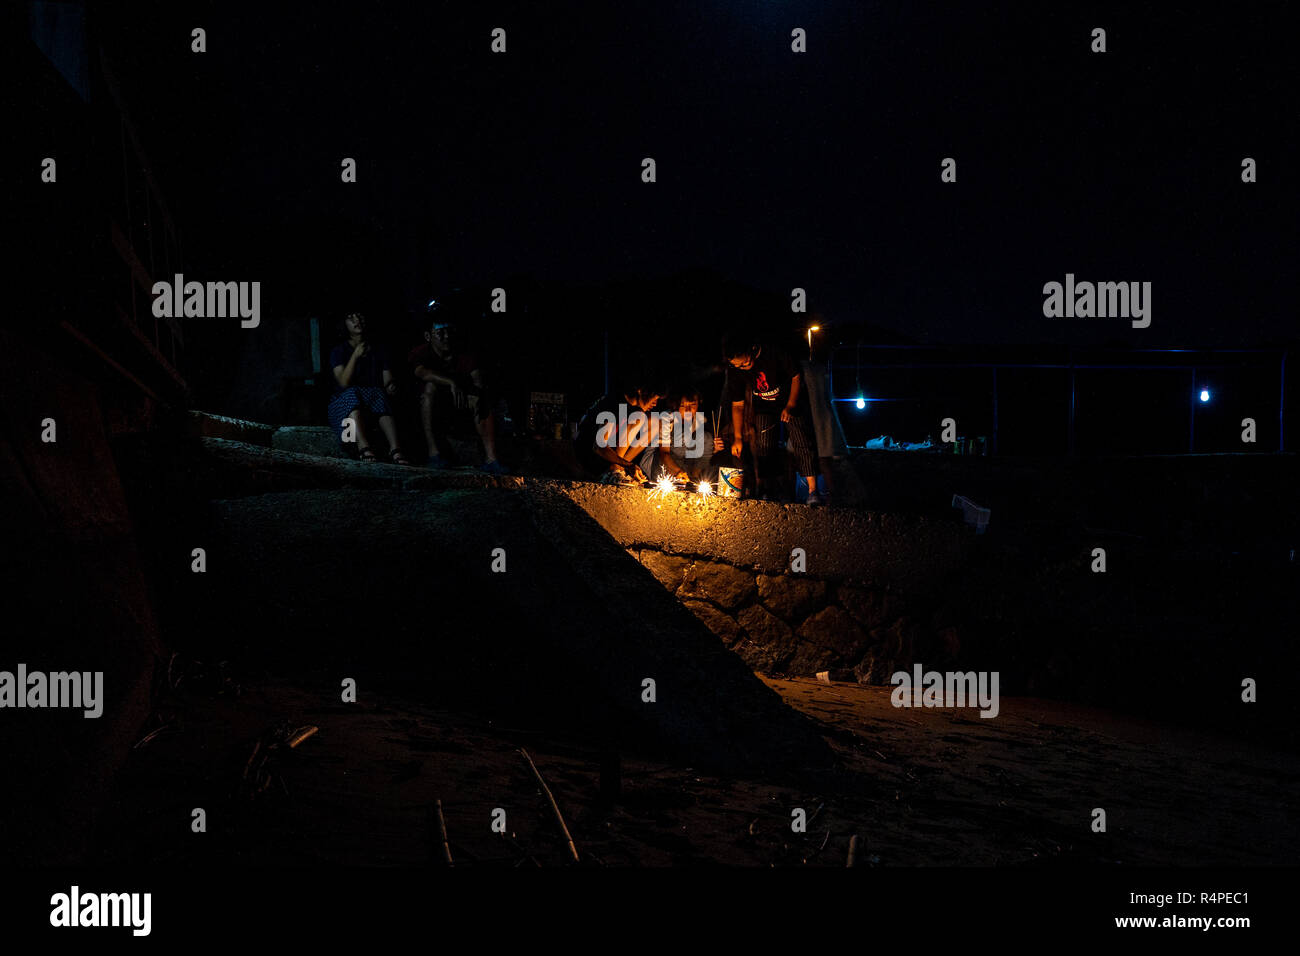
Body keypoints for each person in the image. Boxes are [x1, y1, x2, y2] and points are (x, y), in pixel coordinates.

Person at [407, 301, 507, 474]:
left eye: (449, 331)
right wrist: (451, 383)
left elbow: (477, 377)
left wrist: (476, 393)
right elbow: (422, 373)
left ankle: (492, 459)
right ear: (428, 336)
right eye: (440, 332)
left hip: (460, 403)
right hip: (432, 406)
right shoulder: (420, 352)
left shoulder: (463, 352)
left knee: (482, 398)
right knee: (430, 389)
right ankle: (434, 454)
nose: (446, 336)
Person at [722, 333, 822, 504]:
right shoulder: (735, 370)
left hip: (789, 400)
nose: (743, 367)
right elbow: (737, 405)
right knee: (764, 446)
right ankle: (768, 490)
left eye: (745, 362)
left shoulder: (772, 353)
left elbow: (796, 377)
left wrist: (790, 405)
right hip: (765, 406)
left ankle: (813, 491)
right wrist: (737, 438)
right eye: (738, 366)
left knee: (801, 441)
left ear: (752, 350)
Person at [328, 311, 410, 464]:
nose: (357, 320)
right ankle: (363, 447)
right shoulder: (338, 351)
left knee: (380, 394)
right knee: (351, 395)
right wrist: (356, 355)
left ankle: (395, 449)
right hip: (343, 406)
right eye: (350, 318)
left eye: (359, 316)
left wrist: (391, 386)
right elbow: (343, 383)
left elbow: (387, 378)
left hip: (371, 402)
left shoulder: (379, 349)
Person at [574, 381, 663, 484]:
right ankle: (614, 470)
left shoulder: (631, 408)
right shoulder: (613, 403)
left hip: (609, 456)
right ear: (641, 391)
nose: (655, 404)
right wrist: (628, 465)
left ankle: (617, 470)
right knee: (639, 416)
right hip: (588, 454)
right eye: (654, 398)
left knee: (654, 422)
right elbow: (599, 447)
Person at [655, 388, 725, 485]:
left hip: (689, 466)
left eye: (692, 405)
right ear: (676, 405)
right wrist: (678, 472)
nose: (688, 410)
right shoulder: (667, 419)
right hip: (667, 466)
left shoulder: (701, 421)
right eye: (683, 406)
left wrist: (715, 449)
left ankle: (694, 480)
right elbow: (664, 453)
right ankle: (679, 479)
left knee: (706, 437)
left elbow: (702, 452)